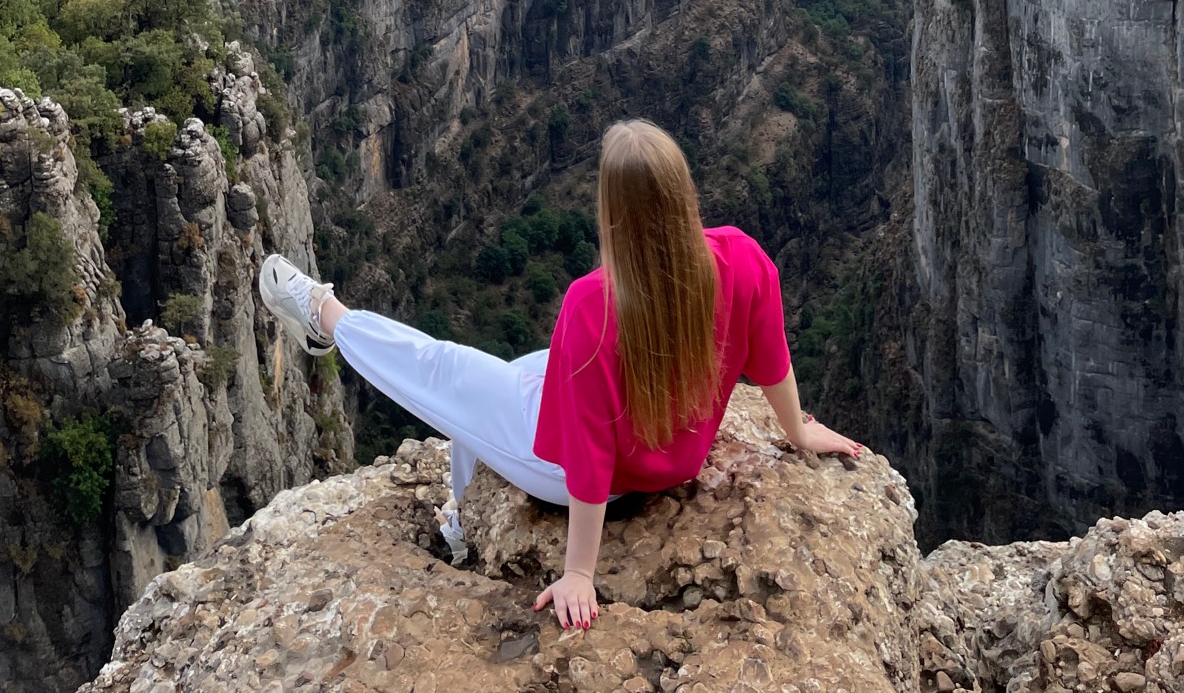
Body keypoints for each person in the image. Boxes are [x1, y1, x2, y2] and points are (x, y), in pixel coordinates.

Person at [259, 117, 861, 631]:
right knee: (515, 374)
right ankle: (462, 510)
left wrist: (579, 572)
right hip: (673, 461)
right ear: (684, 194)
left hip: (582, 477)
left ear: (611, 212)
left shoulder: (592, 305)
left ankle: (325, 316)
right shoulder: (743, 258)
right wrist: (798, 432)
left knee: (445, 372)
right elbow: (773, 361)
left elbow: (591, 458)